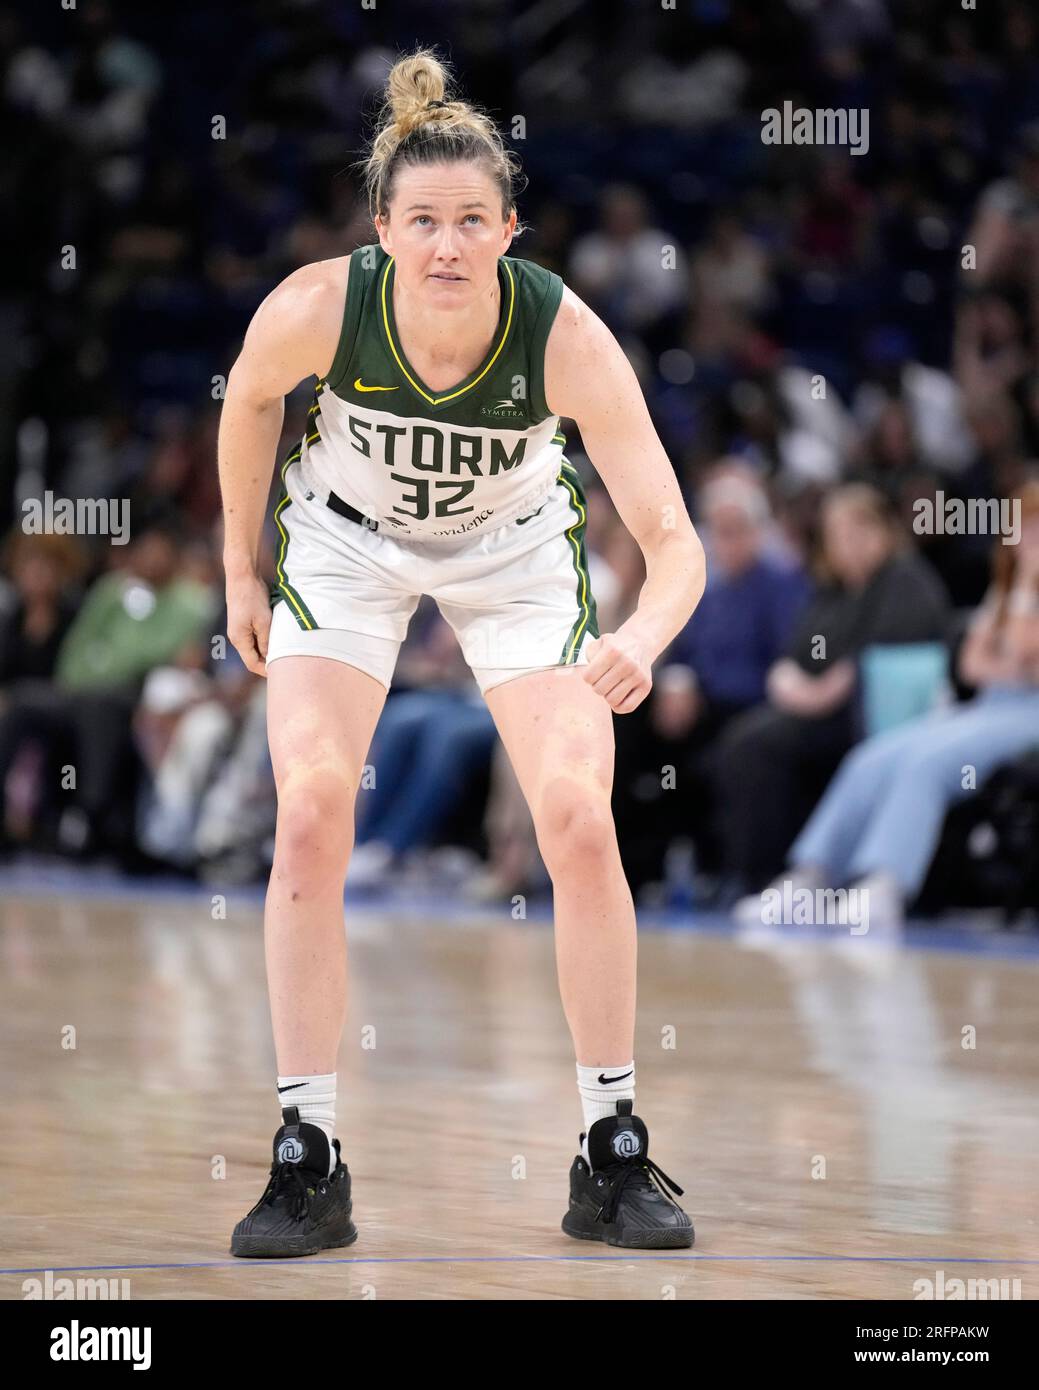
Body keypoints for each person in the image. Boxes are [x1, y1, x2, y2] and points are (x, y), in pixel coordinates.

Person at [218, 49, 706, 1257]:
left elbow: (672, 537)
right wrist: (237, 568)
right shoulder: (317, 307)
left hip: (516, 556)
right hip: (346, 548)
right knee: (312, 808)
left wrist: (641, 634)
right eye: (422, 221)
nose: (445, 245)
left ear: (510, 232)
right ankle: (307, 1152)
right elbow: (247, 402)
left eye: (471, 222)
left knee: (577, 818)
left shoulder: (566, 334)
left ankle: (611, 1144)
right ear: (381, 228)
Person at [735, 481, 1039, 926]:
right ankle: (811, 875)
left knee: (928, 762)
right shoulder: (1007, 588)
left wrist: (1027, 588)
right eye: (1022, 529)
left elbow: (1021, 645)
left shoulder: (1020, 589)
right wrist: (1013, 657)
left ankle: (885, 884)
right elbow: (972, 664)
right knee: (873, 756)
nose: (1025, 540)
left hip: (1028, 714)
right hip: (987, 707)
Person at [715, 483, 951, 897]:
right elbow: (794, 653)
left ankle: (771, 877)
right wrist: (788, 680)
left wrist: (812, 692)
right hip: (815, 709)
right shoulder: (831, 591)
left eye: (859, 531)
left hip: (869, 717)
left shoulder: (904, 579)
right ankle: (744, 875)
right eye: (838, 534)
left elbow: (869, 663)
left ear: (884, 531)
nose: (848, 544)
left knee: (759, 745)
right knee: (743, 739)